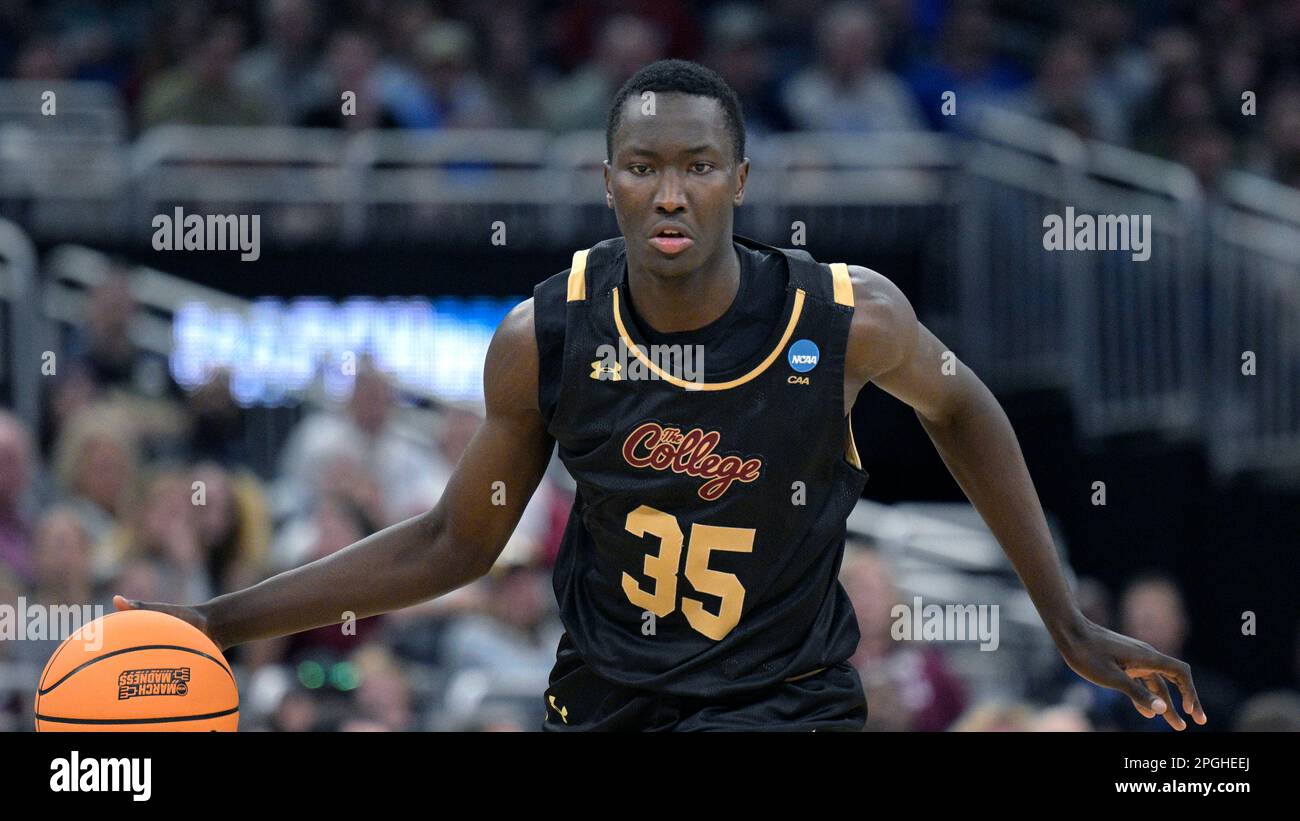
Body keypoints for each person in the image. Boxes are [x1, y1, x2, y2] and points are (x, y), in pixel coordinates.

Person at [116, 59, 1206, 732]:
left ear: (739, 178)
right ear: (608, 181)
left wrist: (1062, 615)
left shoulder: (847, 316)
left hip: (785, 706)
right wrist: (215, 620)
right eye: (642, 164)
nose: (669, 190)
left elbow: (962, 406)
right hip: (605, 703)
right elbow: (451, 539)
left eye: (695, 163)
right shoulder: (544, 336)